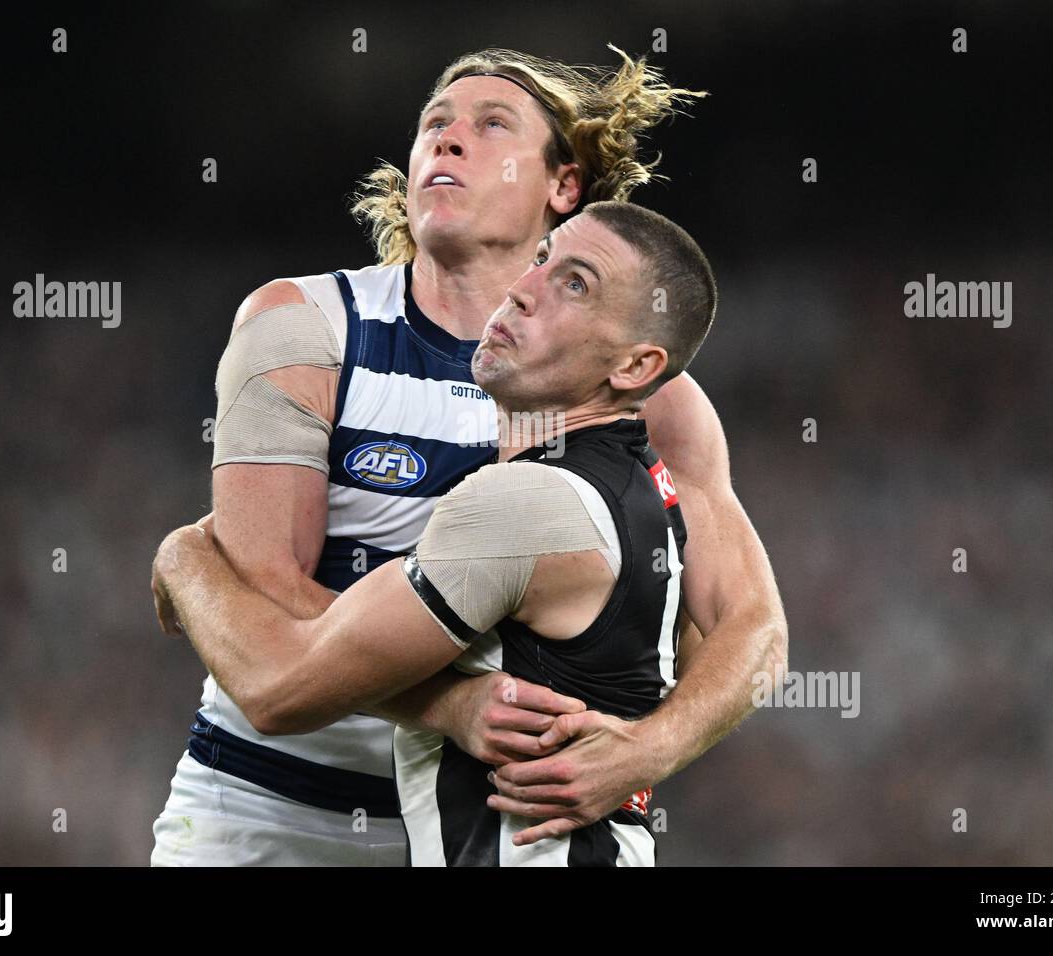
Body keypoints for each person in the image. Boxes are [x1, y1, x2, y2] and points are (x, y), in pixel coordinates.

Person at [150, 46, 786, 866]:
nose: (449, 142)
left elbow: (752, 630)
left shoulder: (654, 400)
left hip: (486, 831)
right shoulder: (303, 329)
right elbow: (263, 610)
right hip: (267, 811)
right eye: (434, 126)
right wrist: (445, 705)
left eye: (493, 127)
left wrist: (647, 750)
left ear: (564, 187)